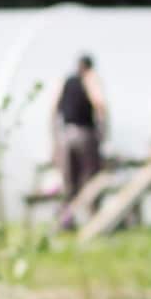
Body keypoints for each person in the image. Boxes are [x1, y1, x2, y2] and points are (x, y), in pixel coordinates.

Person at [53, 55, 106, 222]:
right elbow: (100, 103)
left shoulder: (64, 81)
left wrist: (55, 138)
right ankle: (94, 220)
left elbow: (53, 108)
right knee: (91, 179)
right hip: (85, 134)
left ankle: (66, 221)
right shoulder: (90, 78)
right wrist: (103, 131)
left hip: (65, 135)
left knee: (68, 182)